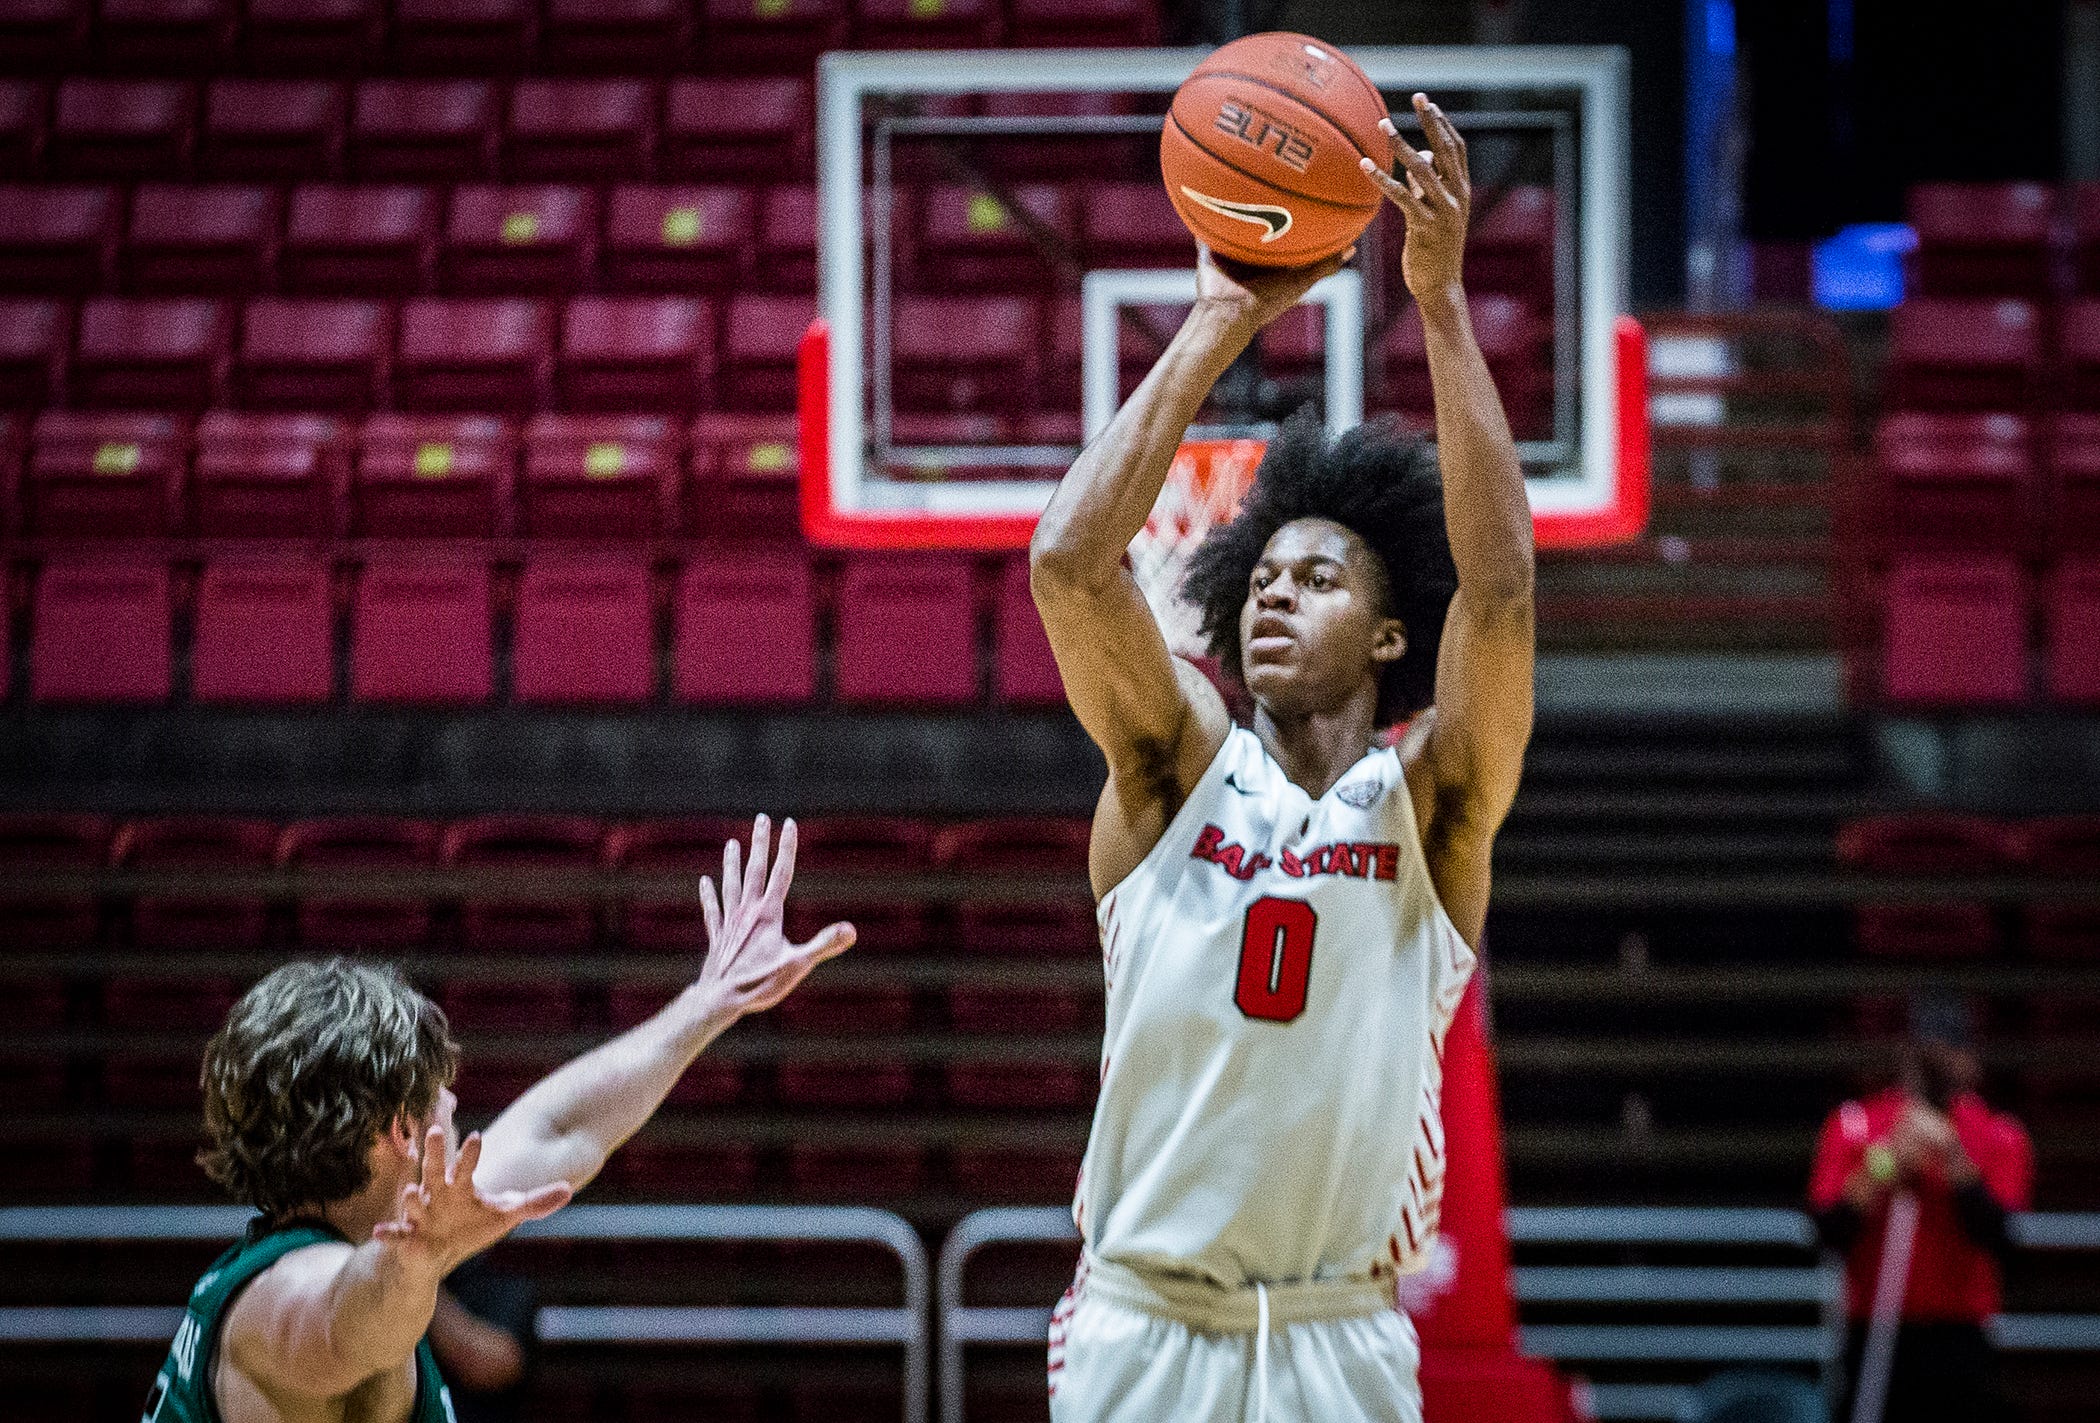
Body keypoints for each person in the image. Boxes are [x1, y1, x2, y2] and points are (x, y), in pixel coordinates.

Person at [1029, 93, 1534, 1423]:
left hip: (1338, 1334)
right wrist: (1222, 312)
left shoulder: (1433, 804)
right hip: (1144, 1319)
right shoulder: (1178, 767)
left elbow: (1503, 594)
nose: (1267, 593)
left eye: (1315, 577)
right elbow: (1068, 566)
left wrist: (1437, 299)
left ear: (1382, 636)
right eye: (1259, 573)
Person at [140, 815, 853, 1423]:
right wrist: (410, 1267)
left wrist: (711, 1003)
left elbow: (560, 1129)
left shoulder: (359, 1237)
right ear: (402, 1130)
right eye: (441, 1091)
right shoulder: (279, 1300)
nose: (459, 1106)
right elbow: (346, 1318)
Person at [1807, 996, 2033, 1423]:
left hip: (1959, 1333)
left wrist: (1952, 1155)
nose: (1937, 1066)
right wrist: (1887, 1160)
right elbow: (1829, 1229)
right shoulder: (1855, 1123)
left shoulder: (2001, 1134)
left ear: (1969, 1059)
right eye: (1926, 1052)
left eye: (1948, 1052)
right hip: (1875, 1329)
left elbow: (1999, 1236)